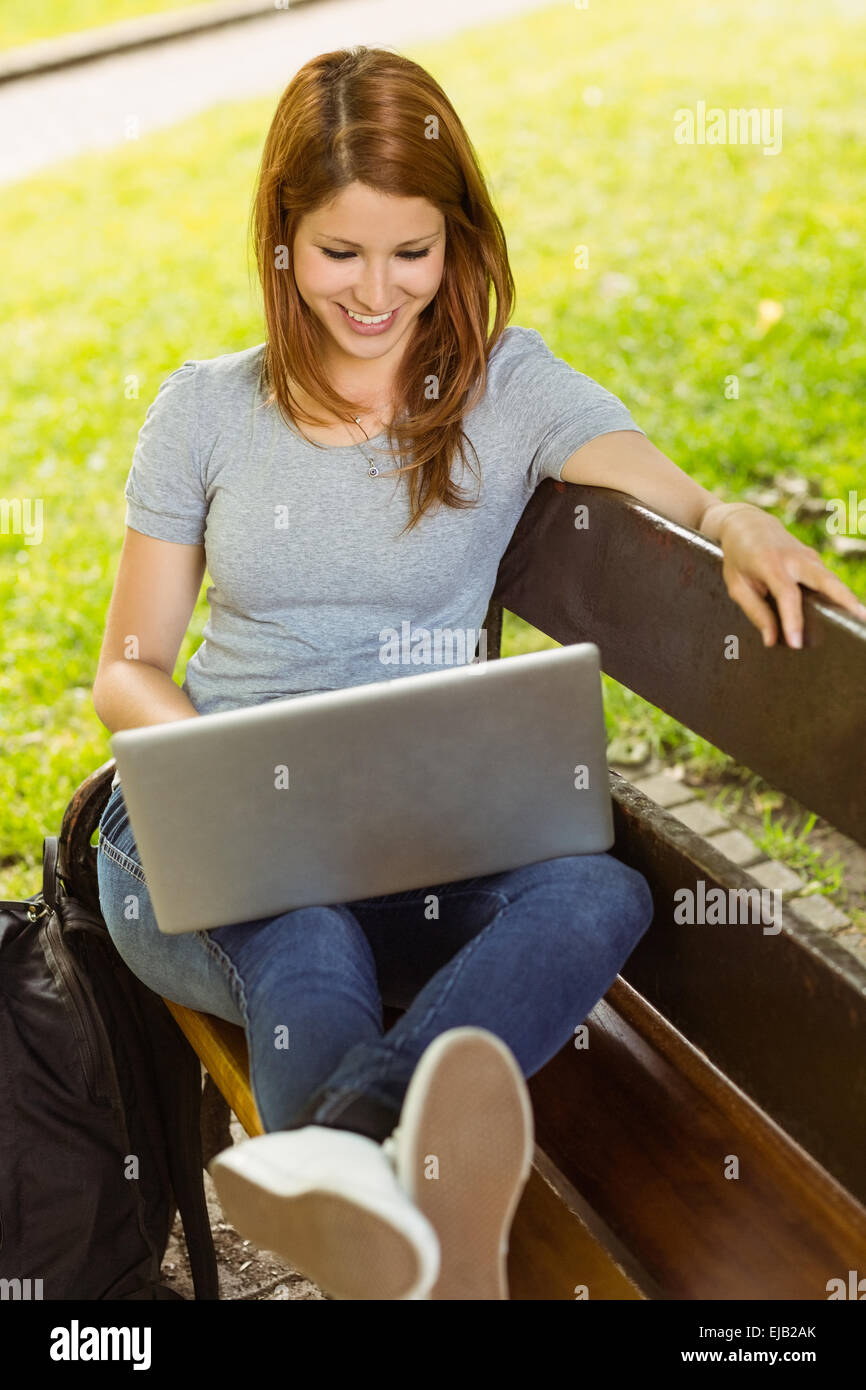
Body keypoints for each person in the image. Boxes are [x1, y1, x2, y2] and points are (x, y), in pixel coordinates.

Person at [92, 46, 866, 1302]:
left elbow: (673, 492)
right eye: (340, 252)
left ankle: (362, 1176)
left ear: (454, 240)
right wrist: (194, 763)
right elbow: (127, 666)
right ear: (281, 241)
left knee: (590, 890)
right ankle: (409, 1204)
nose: (377, 291)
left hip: (422, 842)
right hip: (211, 838)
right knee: (304, 932)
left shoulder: (505, 388)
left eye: (413, 250)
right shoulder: (202, 412)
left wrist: (733, 521)